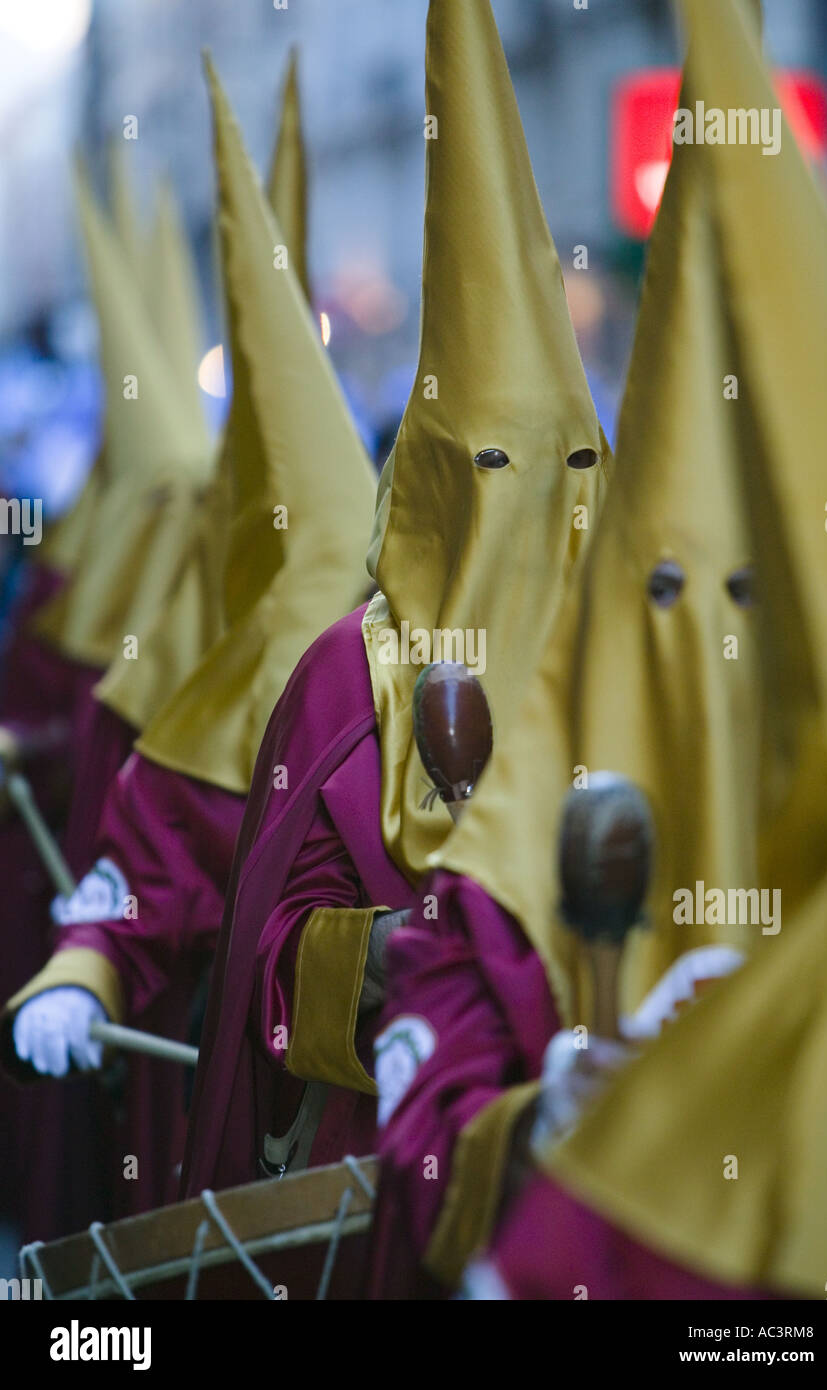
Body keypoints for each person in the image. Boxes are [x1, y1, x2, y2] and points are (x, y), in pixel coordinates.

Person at [368, 0, 827, 1298]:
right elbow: (419, 1086)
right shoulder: (514, 835)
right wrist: (551, 1114)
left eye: (765, 590)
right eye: (674, 585)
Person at [180, 0, 610, 1203]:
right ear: (424, 479)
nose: (532, 504)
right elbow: (266, 946)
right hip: (384, 1168)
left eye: (571, 464)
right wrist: (397, 957)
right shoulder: (341, 677)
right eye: (490, 469)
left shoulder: (644, 658)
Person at [0, 54, 377, 1231]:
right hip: (220, 1103)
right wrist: (80, 967)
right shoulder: (193, 686)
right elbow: (140, 880)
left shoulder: (447, 687)